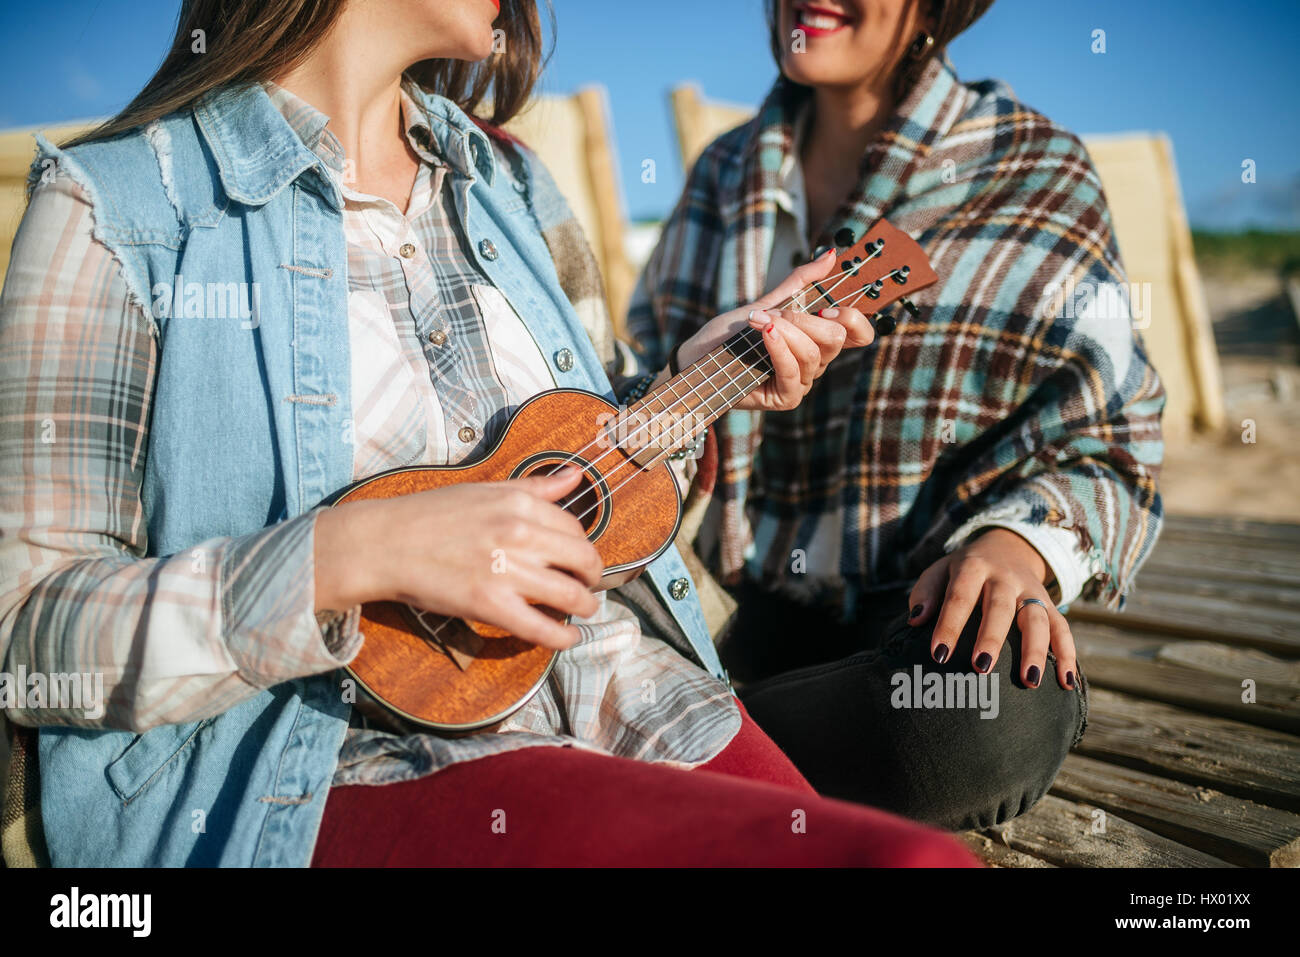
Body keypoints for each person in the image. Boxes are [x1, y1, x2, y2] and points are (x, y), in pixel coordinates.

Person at [0, 0, 979, 866]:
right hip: (318, 767)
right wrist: (350, 554)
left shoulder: (512, 187)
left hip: (631, 695)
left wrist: (689, 386)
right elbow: (28, 635)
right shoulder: (118, 207)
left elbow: (592, 480)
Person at [627, 0, 1166, 829]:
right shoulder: (719, 175)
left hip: (915, 613)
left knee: (993, 705)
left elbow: (1111, 436)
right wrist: (681, 388)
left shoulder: (1036, 166)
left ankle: (661, 744)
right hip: (731, 601)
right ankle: (693, 740)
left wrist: (1016, 544)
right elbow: (633, 391)